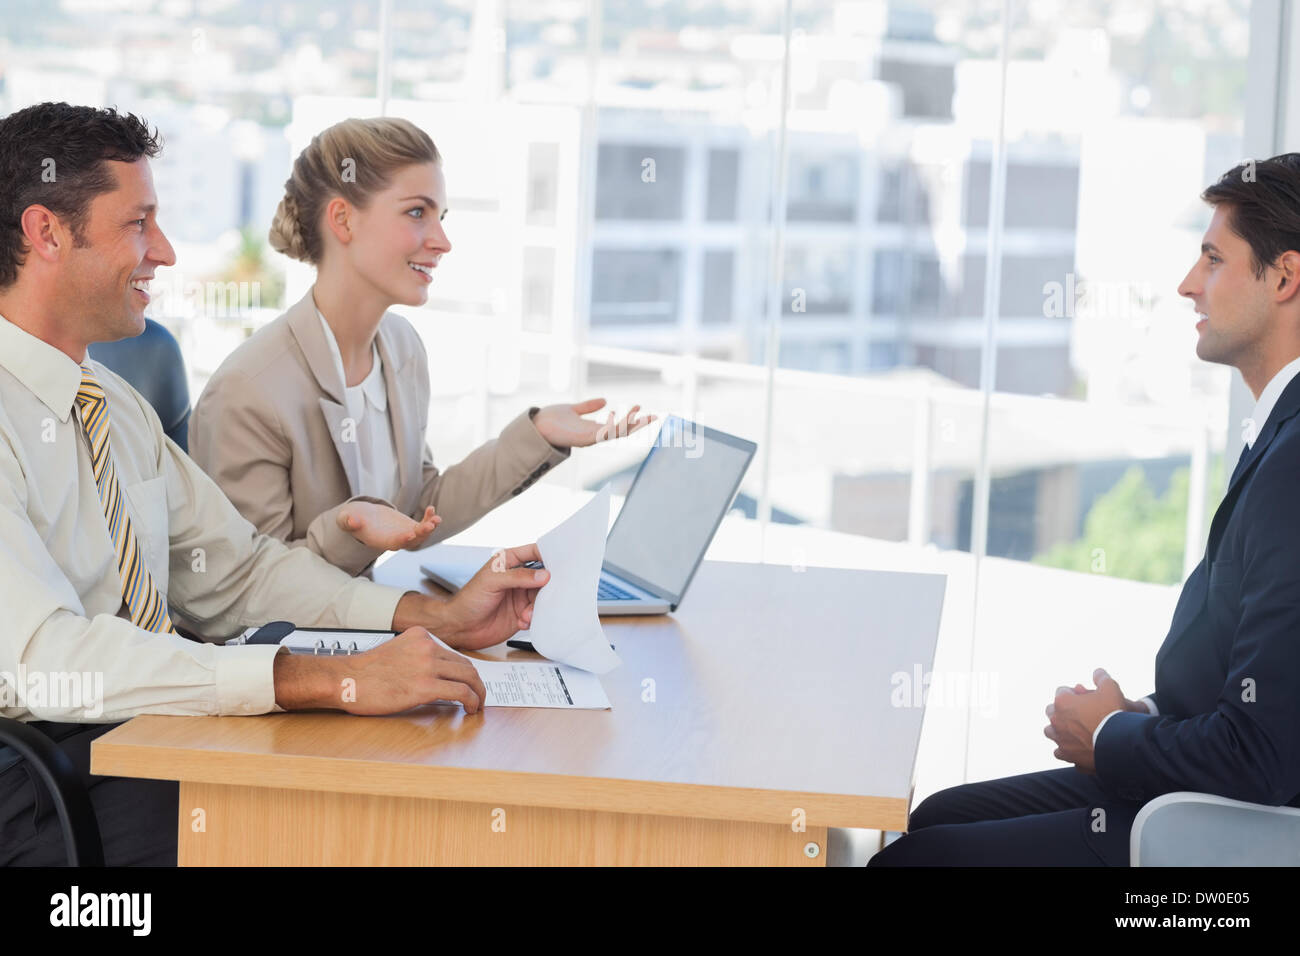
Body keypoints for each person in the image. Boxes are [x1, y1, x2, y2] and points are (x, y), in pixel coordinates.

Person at [0, 102, 552, 866]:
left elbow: (239, 571)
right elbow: (45, 662)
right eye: (138, 224)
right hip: (37, 789)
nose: (163, 250)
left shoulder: (111, 405)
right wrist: (329, 680)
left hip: (135, 737)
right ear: (46, 233)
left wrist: (431, 618)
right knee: (352, 827)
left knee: (407, 777)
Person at [871, 154, 1300, 866]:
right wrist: (1142, 721)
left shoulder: (1295, 465)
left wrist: (1111, 738)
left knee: (911, 862)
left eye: (1213, 259)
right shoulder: (1280, 433)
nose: (1187, 285)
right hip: (1192, 783)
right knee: (935, 817)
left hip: (1225, 837)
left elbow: (1262, 755)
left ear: (1285, 277)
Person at [189, 117, 654, 576]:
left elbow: (417, 510)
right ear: (343, 219)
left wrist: (538, 436)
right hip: (287, 648)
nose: (443, 241)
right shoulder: (249, 391)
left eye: (441, 217)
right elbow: (250, 591)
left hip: (363, 629)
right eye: (417, 212)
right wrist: (352, 531)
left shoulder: (401, 350)